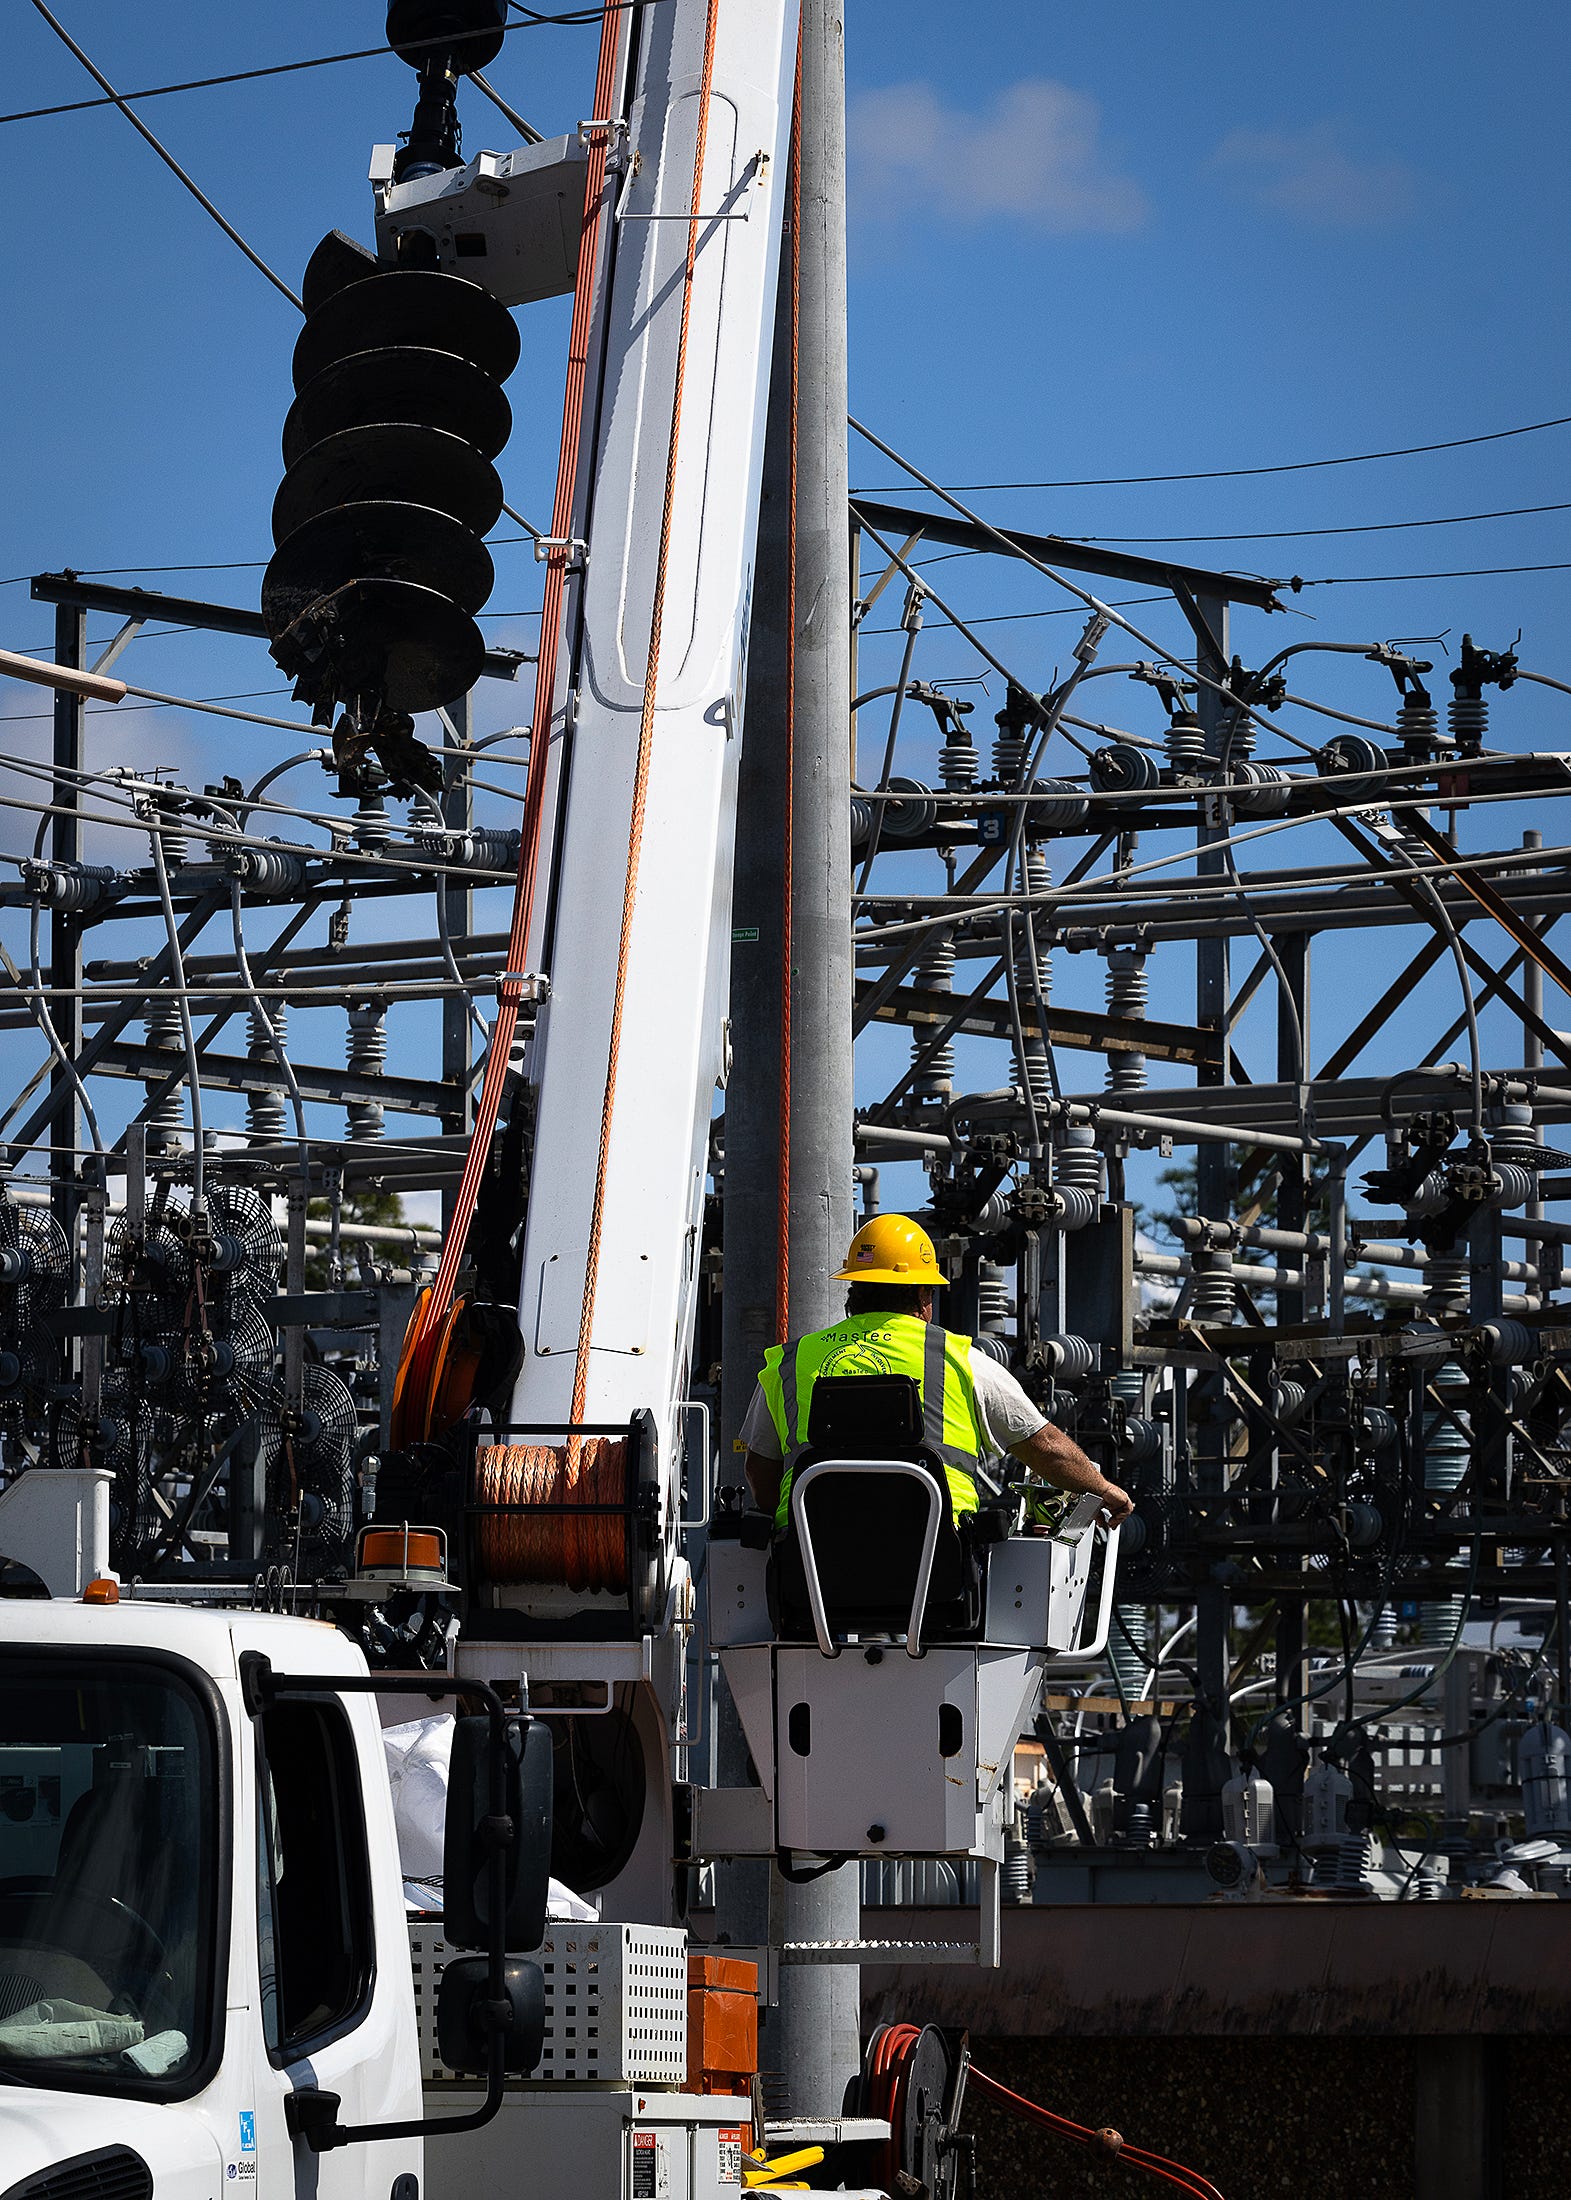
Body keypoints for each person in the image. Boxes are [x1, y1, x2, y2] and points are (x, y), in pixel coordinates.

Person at [739, 1213, 1134, 1534]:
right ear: (922, 1296)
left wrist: (805, 1530)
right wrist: (1103, 1489)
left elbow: (759, 1469)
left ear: (853, 1291)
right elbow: (1044, 1446)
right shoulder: (961, 1359)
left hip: (810, 1571)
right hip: (940, 1572)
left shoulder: (790, 1363)